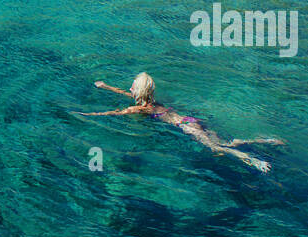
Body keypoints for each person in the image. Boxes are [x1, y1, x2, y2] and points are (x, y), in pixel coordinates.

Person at [83, 72, 284, 173]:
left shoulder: (140, 108)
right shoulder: (152, 102)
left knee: (218, 149)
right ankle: (264, 141)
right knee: (223, 143)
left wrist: (88, 115)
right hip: (191, 120)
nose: (130, 88)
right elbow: (126, 94)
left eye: (133, 86)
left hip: (186, 127)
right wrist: (106, 87)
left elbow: (114, 113)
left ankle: (252, 160)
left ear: (138, 92)